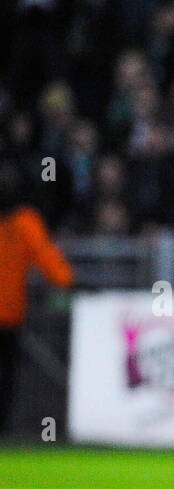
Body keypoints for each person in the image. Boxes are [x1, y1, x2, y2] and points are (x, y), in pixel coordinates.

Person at [0, 161, 74, 433]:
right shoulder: (24, 222)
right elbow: (50, 261)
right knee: (6, 376)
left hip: (10, 314)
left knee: (7, 375)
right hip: (9, 315)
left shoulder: (24, 223)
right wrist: (70, 282)